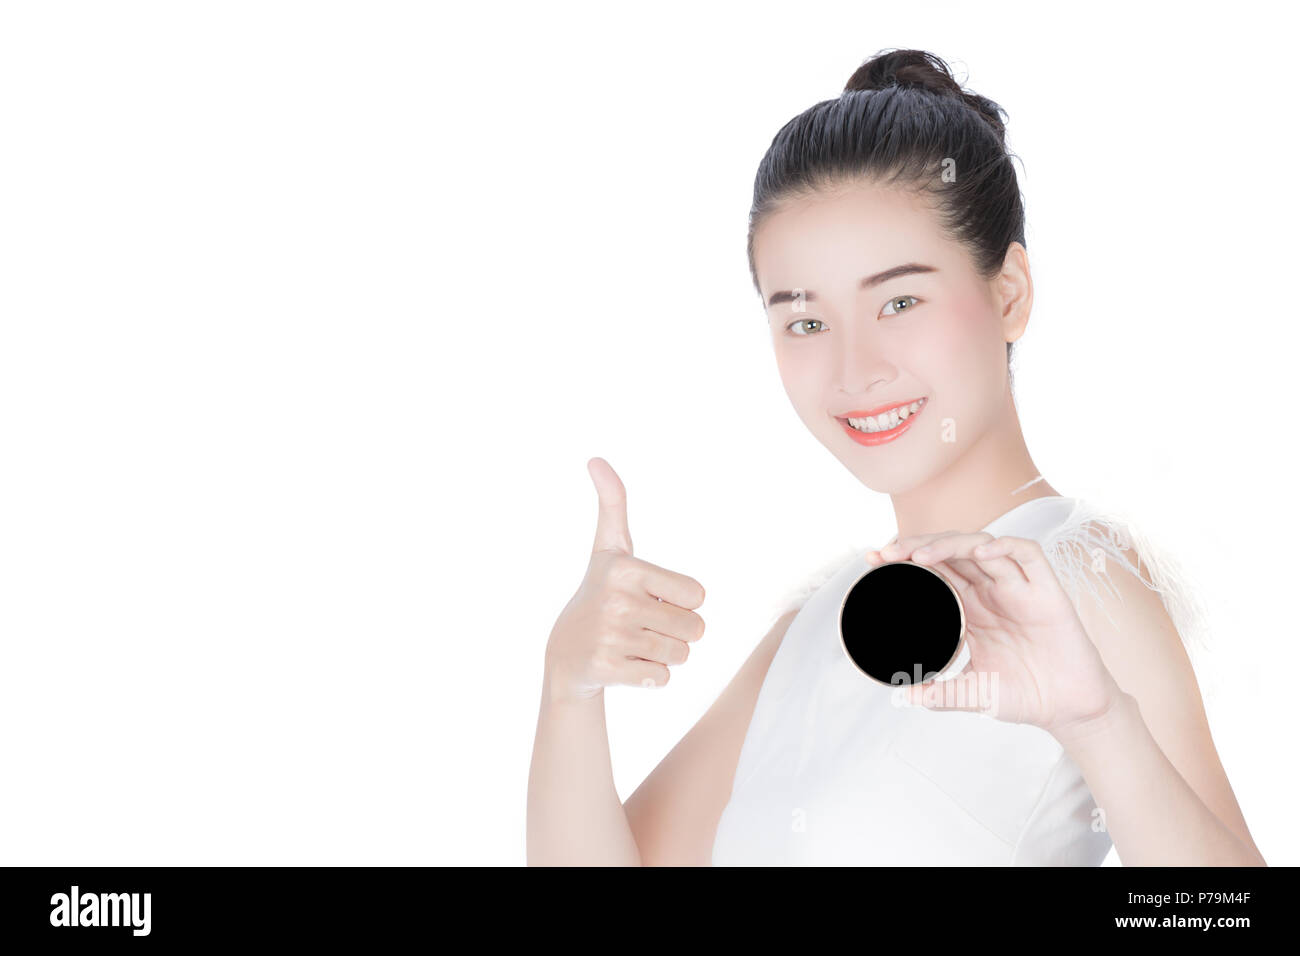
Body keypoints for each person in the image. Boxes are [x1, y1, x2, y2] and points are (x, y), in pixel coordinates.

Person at [526, 48, 1266, 866]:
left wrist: (1098, 723)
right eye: (807, 322)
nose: (855, 370)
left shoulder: (1079, 578)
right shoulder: (810, 631)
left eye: (900, 301)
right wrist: (570, 689)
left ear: (1009, 293)